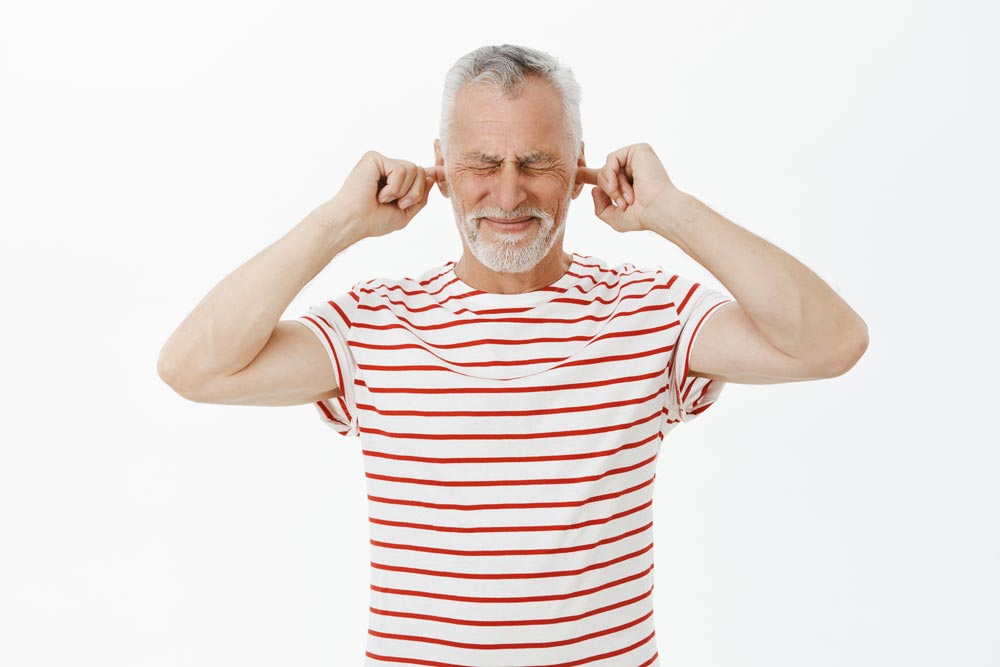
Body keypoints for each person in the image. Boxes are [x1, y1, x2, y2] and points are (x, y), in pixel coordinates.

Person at [158, 44, 868, 667]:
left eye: (535, 163)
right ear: (439, 166)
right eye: (480, 163)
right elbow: (194, 367)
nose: (506, 193)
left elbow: (832, 342)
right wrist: (338, 221)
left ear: (579, 168)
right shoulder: (376, 322)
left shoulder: (649, 312)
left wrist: (672, 210)